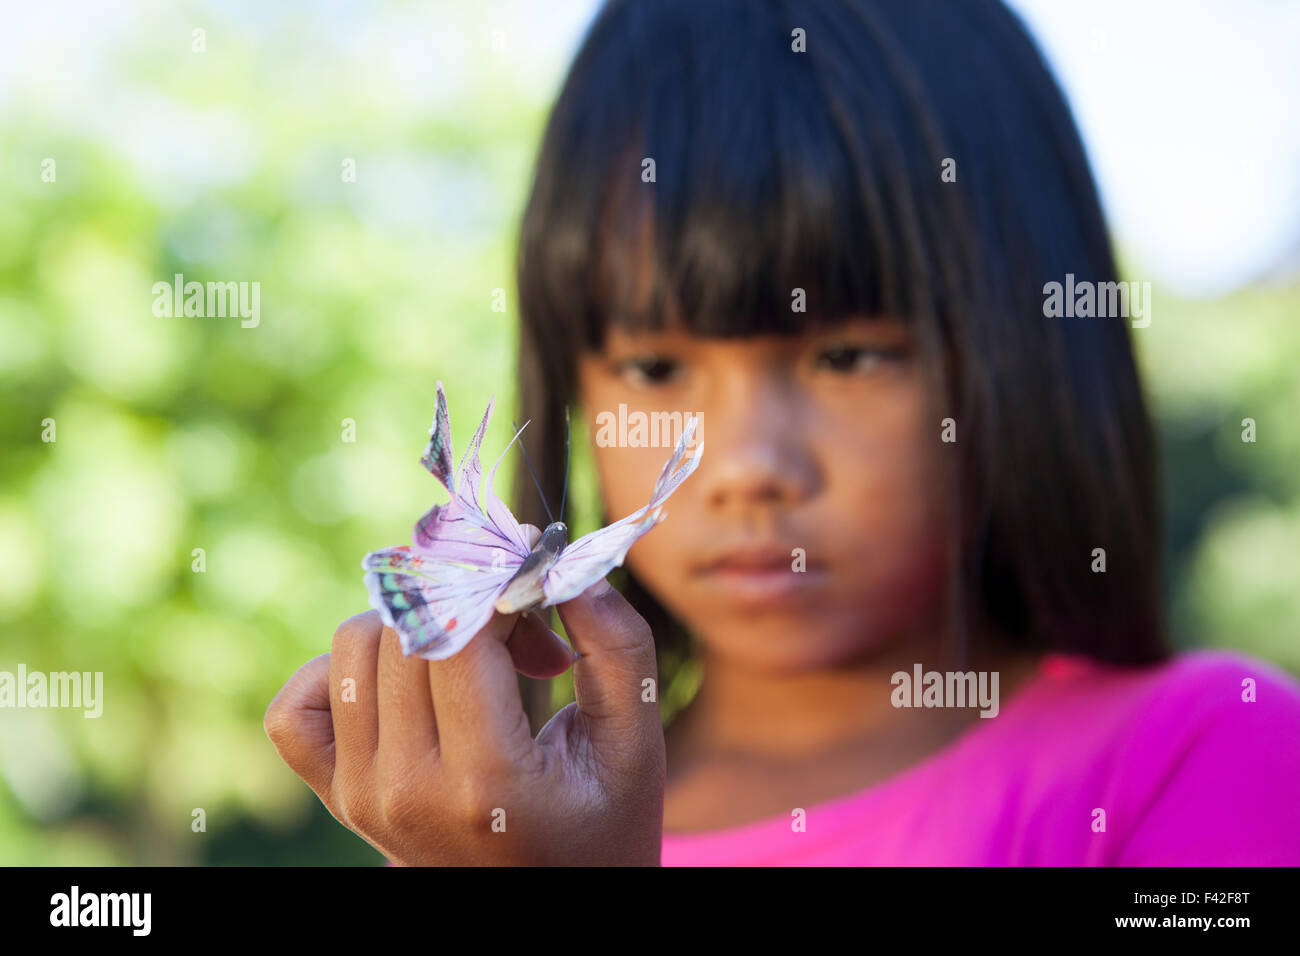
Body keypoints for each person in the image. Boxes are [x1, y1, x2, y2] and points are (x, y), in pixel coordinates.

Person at [265, 0, 1300, 865]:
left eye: (848, 355)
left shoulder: (1201, 754)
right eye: (656, 367)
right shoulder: (517, 819)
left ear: (1020, 355)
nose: (749, 468)